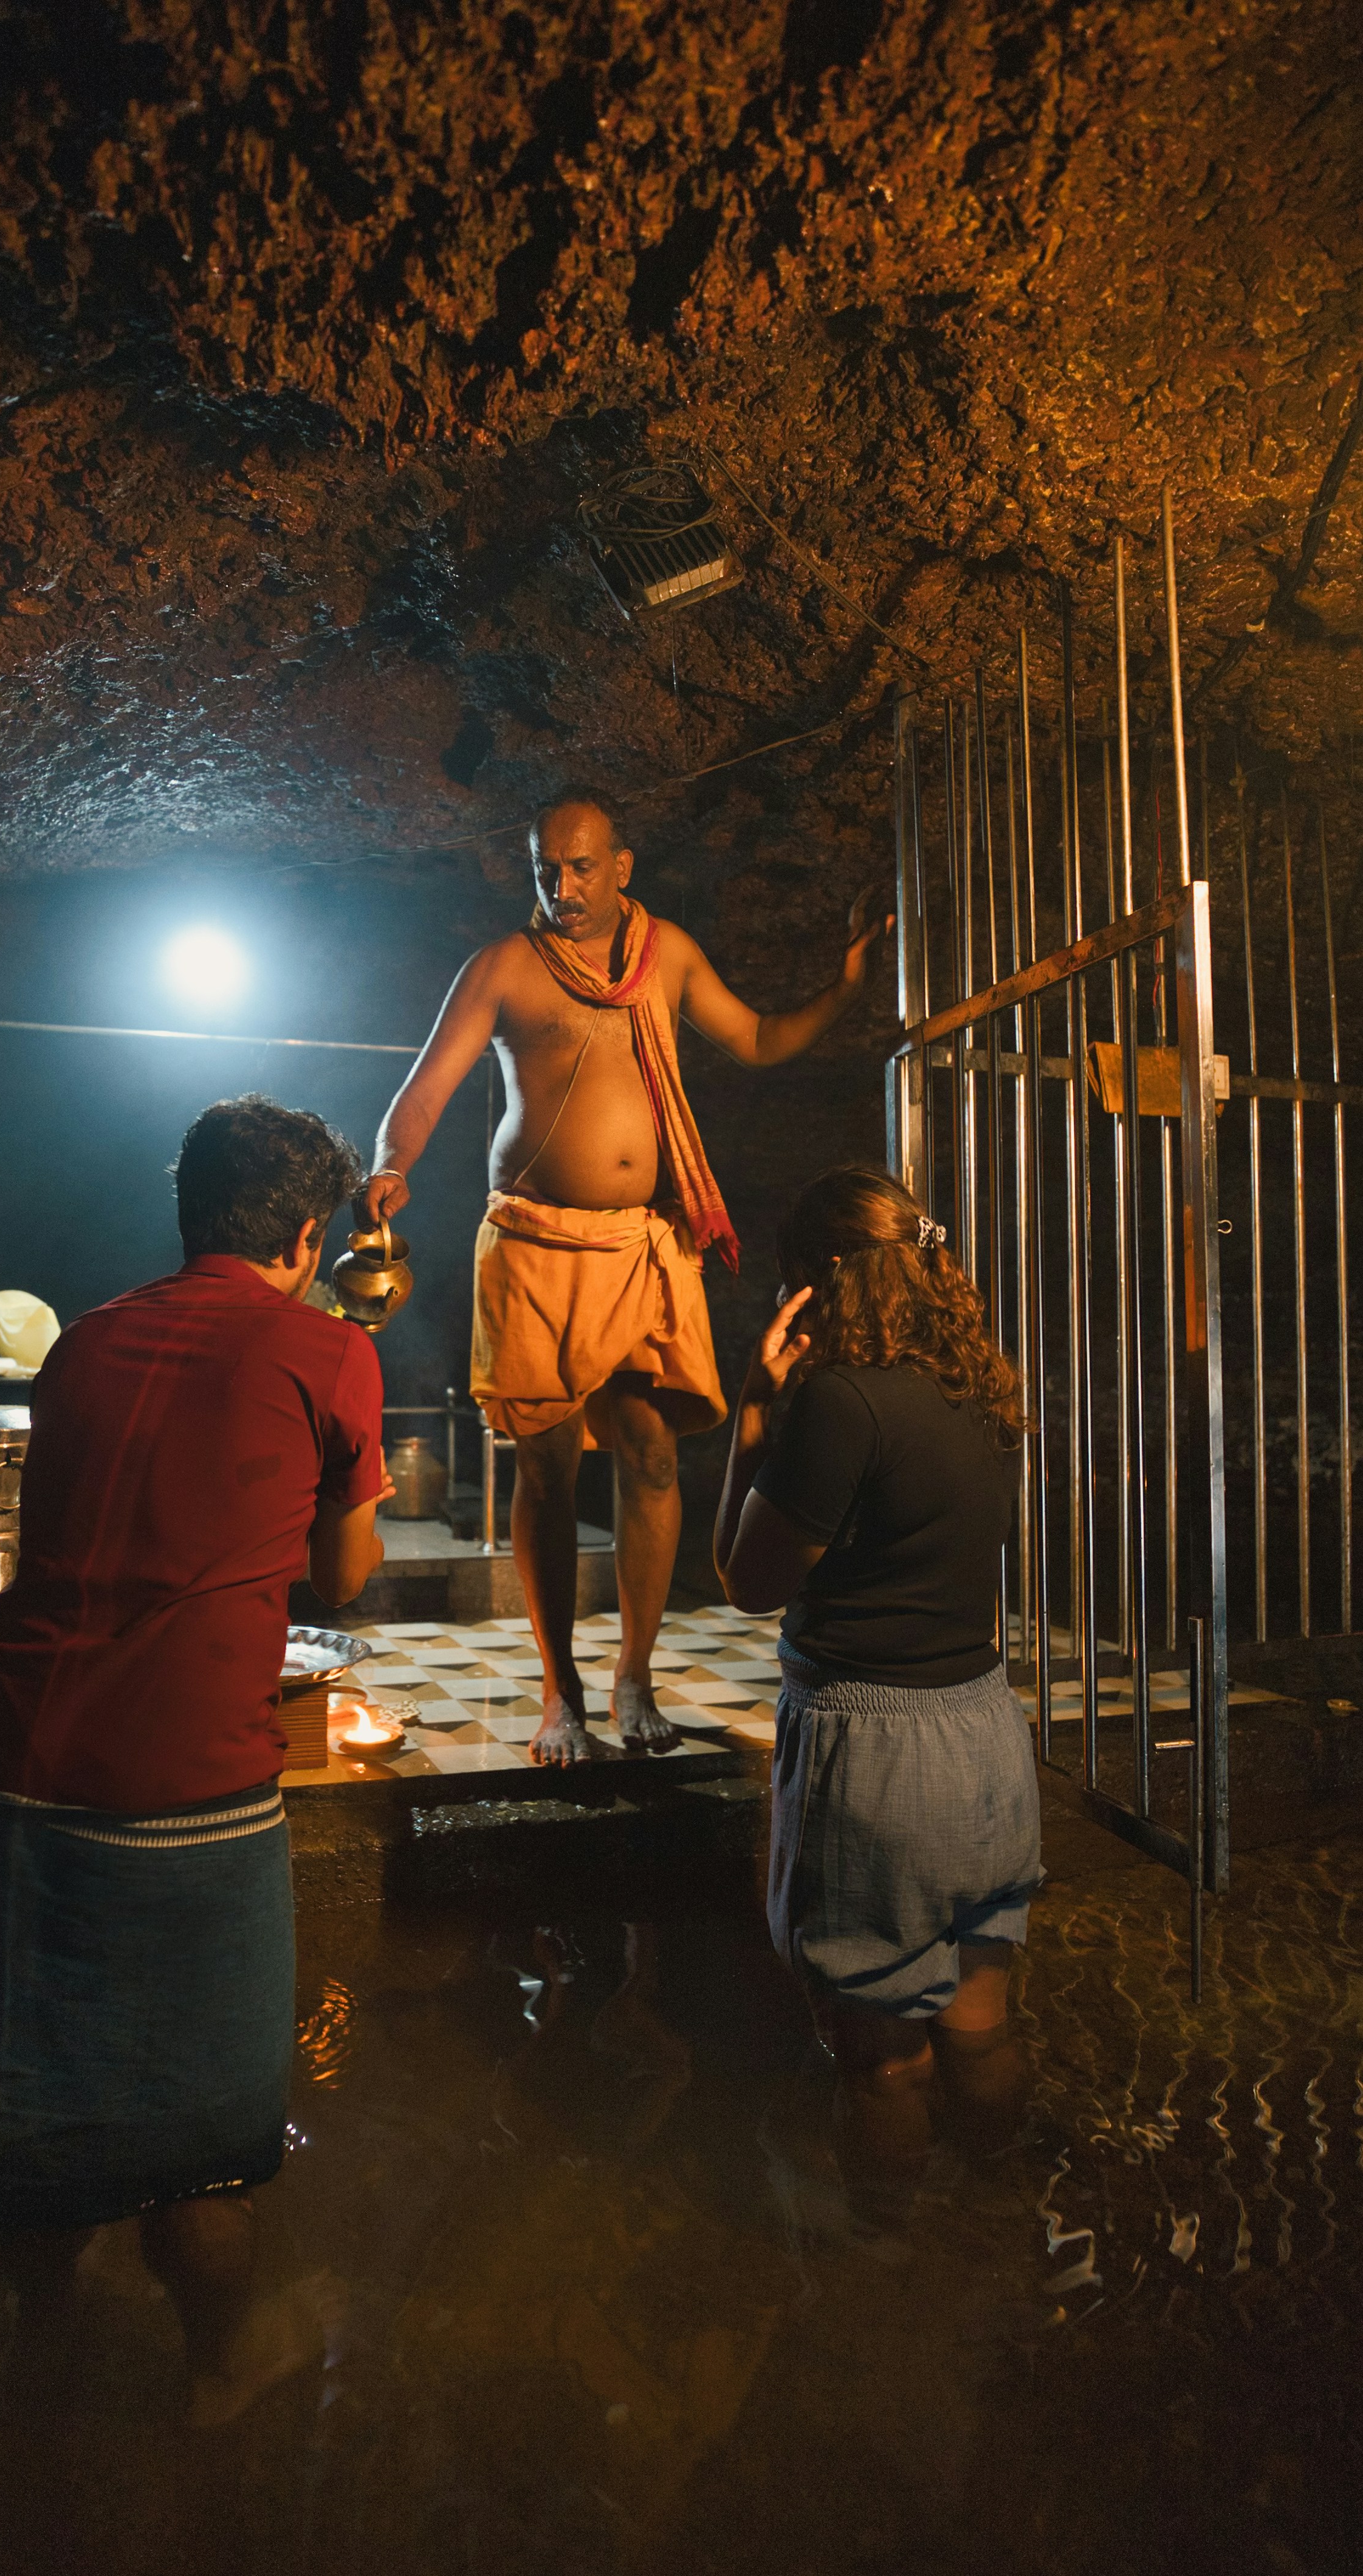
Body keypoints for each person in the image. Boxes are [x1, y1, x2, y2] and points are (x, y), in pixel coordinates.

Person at [0, 1095, 388, 2422]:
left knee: (32, 2116)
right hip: (190, 1799)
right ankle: (224, 2368)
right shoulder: (328, 1351)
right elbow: (342, 1578)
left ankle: (42, 2345)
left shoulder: (88, 1342)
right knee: (205, 2148)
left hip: (17, 1773)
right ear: (304, 1233)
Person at [360, 792, 887, 1767]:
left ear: (623, 866)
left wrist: (847, 987)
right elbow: (424, 1090)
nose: (562, 886)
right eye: (545, 869)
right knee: (550, 1475)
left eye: (581, 867)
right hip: (536, 1248)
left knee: (650, 1455)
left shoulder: (668, 955)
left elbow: (763, 1041)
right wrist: (392, 1164)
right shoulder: (504, 968)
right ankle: (561, 1693)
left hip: (645, 1245)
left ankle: (635, 1677)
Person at [712, 1163, 1039, 2190]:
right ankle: (999, 2217)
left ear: (812, 1286)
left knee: (884, 2063)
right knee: (978, 2028)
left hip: (880, 1759)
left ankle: (889, 2271)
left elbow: (747, 1582)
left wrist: (753, 1410)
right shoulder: (978, 1388)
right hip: (987, 1740)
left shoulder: (841, 1405)